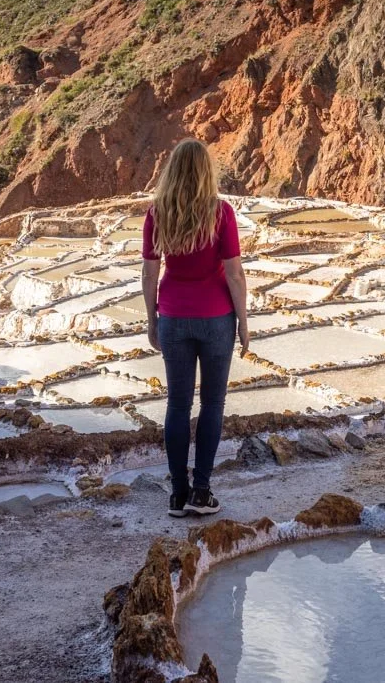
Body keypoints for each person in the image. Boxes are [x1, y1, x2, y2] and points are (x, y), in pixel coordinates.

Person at [142, 139, 250, 517]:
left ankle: (177, 493)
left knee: (177, 404)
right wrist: (245, 323)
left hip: (173, 317)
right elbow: (234, 274)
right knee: (213, 404)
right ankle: (201, 492)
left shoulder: (158, 213)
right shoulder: (221, 212)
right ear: (207, 172)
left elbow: (150, 271)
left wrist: (152, 319)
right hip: (217, 318)